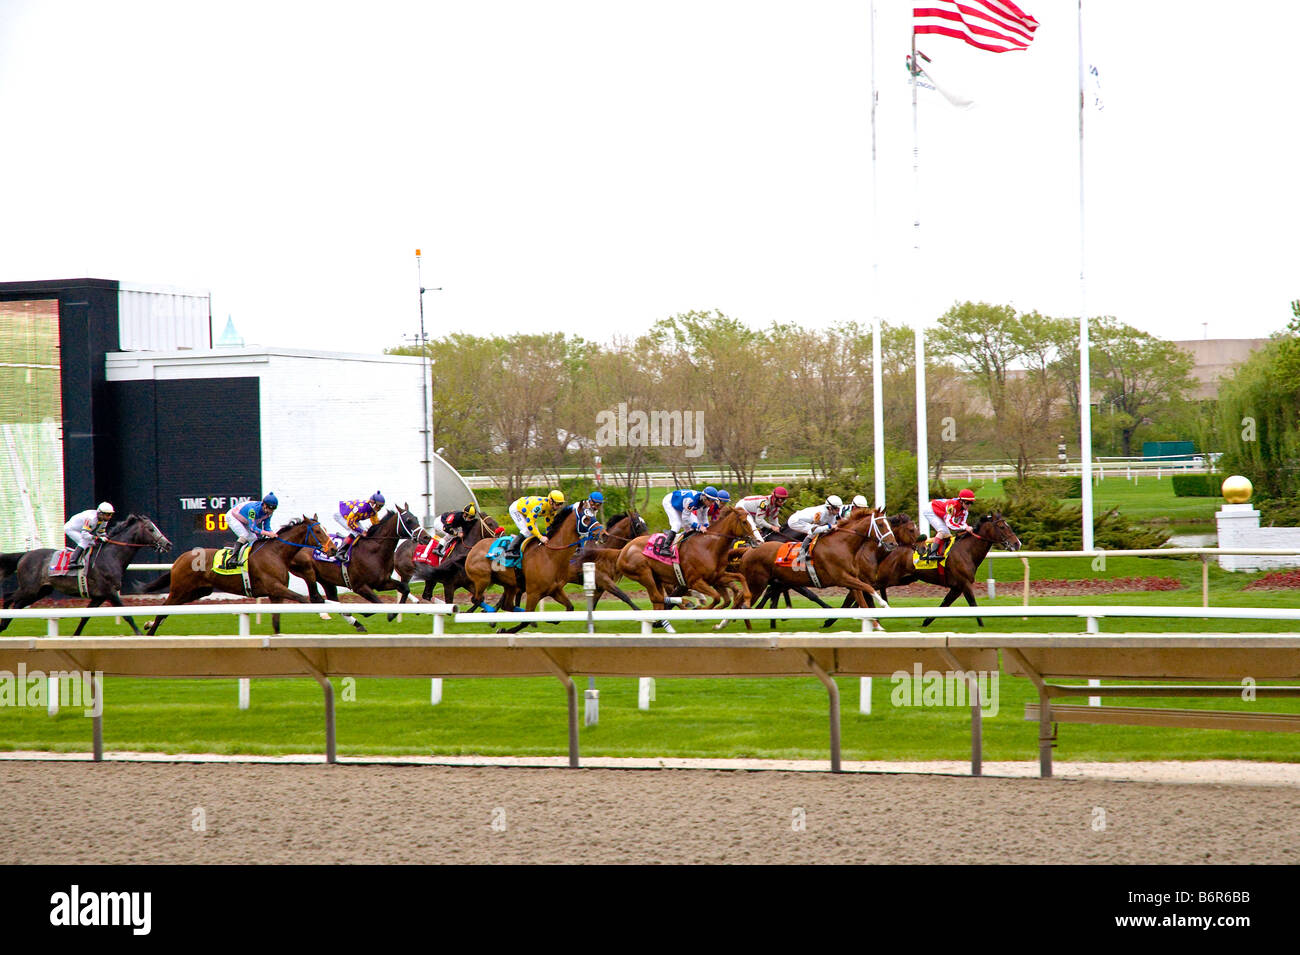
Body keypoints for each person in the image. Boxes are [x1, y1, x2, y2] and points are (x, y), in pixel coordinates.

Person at [505, 489, 565, 558]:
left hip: (527, 511)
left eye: (561, 504)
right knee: (527, 531)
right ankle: (509, 551)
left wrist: (549, 537)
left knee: (534, 533)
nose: (560, 506)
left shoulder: (552, 509)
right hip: (516, 509)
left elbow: (549, 524)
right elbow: (530, 524)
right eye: (558, 504)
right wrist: (540, 537)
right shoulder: (540, 506)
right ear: (551, 501)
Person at [921, 488, 976, 560]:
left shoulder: (965, 511)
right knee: (942, 531)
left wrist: (968, 528)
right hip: (930, 510)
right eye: (967, 503)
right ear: (961, 501)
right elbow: (950, 524)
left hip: (941, 511)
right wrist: (965, 528)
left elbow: (962, 523)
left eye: (971, 503)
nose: (969, 505)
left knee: (947, 535)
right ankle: (932, 553)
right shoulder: (952, 507)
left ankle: (933, 547)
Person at [659, 486, 717, 553]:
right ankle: (665, 548)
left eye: (714, 501)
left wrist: (706, 527)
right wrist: (699, 526)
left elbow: (703, 517)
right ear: (704, 498)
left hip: (681, 504)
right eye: (712, 501)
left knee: (695, 522)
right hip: (670, 502)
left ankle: (680, 538)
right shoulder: (691, 501)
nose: (713, 504)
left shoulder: (705, 503)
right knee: (677, 524)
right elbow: (685, 518)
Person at [226, 493, 278, 566]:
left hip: (244, 519)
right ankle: (233, 558)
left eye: (273, 509)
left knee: (254, 539)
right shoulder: (253, 510)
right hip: (233, 516)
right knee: (244, 535)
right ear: (264, 505)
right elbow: (252, 528)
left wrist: (272, 534)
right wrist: (268, 534)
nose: (271, 511)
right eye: (270, 508)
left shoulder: (269, 513)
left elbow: (267, 527)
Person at [335, 491, 386, 561]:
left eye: (381, 506)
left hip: (353, 518)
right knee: (355, 532)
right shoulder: (361, 508)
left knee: (365, 533)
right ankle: (340, 552)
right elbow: (350, 522)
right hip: (342, 516)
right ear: (372, 503)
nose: (379, 508)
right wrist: (361, 531)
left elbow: (375, 523)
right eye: (378, 506)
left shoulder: (373, 511)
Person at [63, 502, 114, 569]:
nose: (110, 517)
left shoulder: (104, 521)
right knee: (85, 541)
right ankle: (72, 562)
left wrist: (106, 537)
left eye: (111, 514)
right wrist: (96, 538)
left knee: (92, 543)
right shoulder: (91, 518)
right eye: (108, 514)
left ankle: (85, 560)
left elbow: (100, 532)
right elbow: (84, 534)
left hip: (81, 530)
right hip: (71, 529)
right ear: (101, 514)